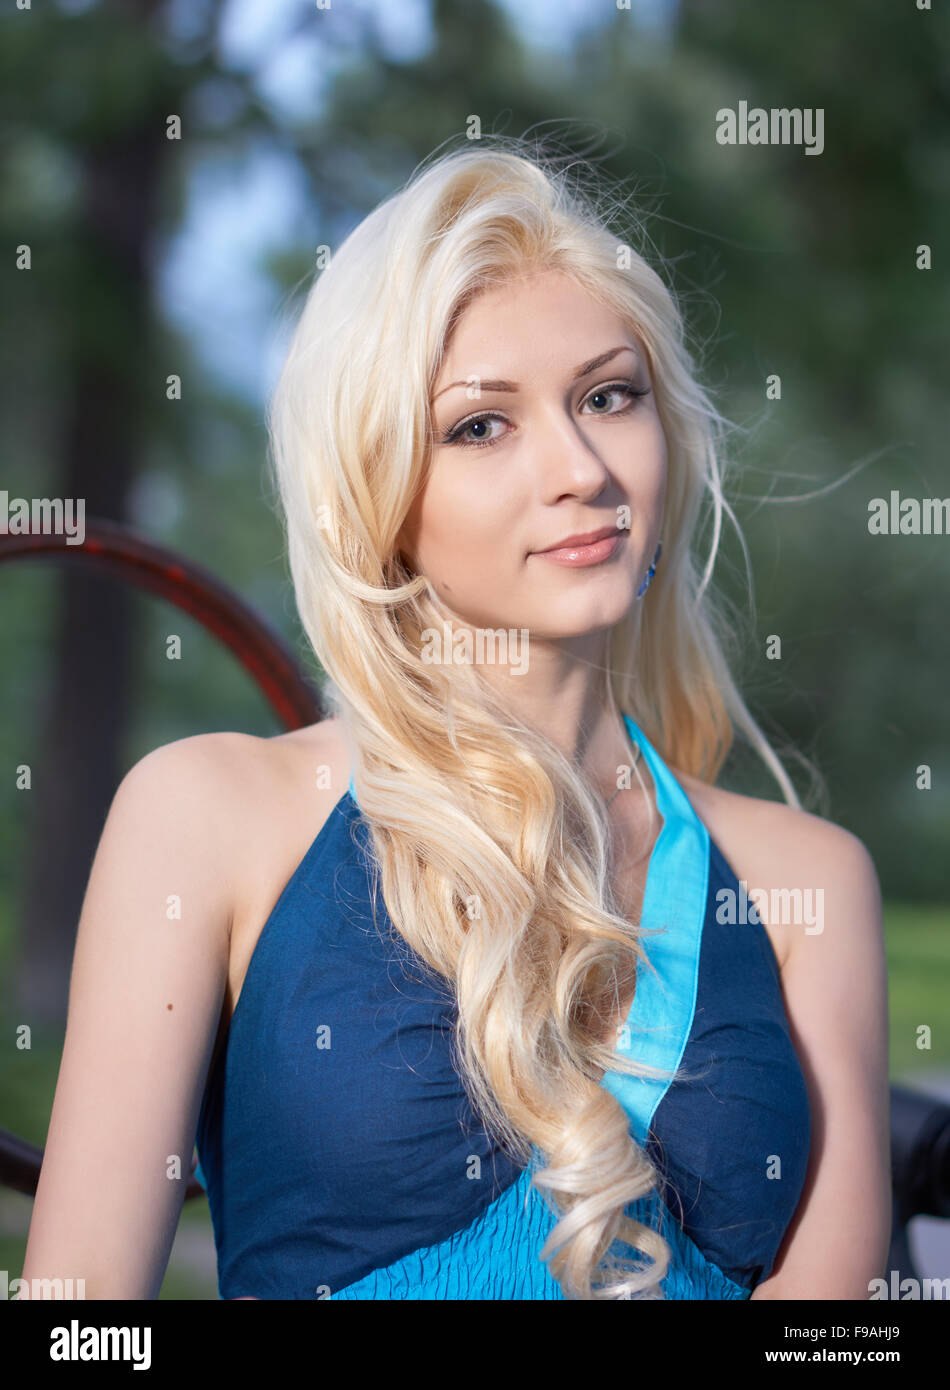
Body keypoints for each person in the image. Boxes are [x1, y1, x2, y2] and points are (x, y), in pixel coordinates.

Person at [22, 137, 890, 1301]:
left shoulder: (808, 884)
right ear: (380, 496)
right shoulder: (209, 816)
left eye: (607, 395)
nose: (579, 466)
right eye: (480, 425)